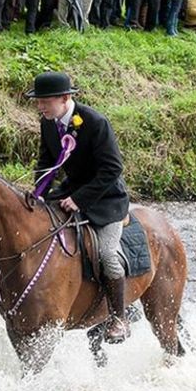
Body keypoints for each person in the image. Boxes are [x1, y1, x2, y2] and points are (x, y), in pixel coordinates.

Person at [25, 71, 131, 343]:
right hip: (70, 191)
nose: (40, 106)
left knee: (107, 254)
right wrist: (38, 194)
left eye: (45, 101)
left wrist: (80, 199)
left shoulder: (95, 122)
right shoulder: (48, 122)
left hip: (106, 198)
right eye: (38, 101)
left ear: (65, 98)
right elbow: (46, 163)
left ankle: (119, 317)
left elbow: (112, 169)